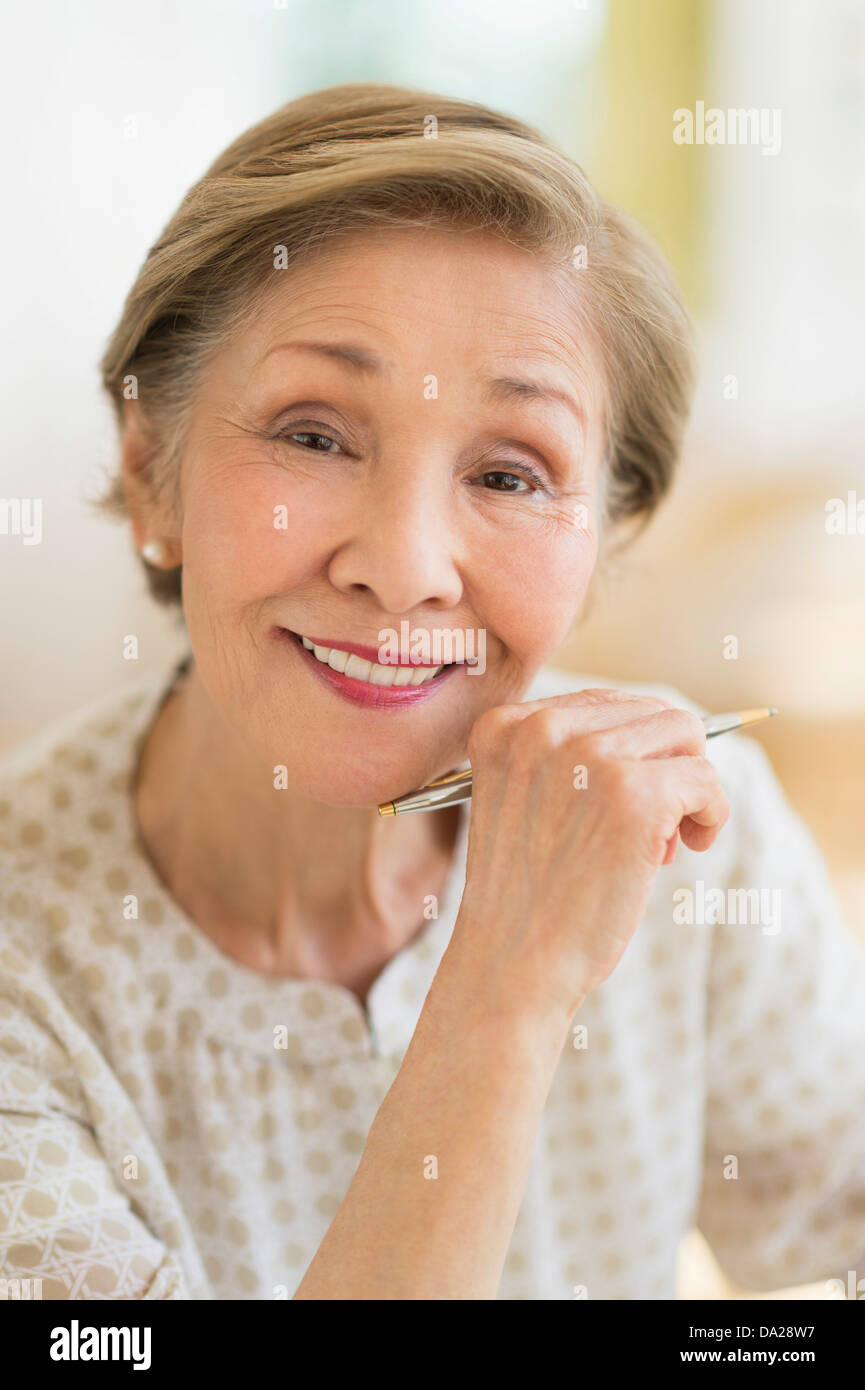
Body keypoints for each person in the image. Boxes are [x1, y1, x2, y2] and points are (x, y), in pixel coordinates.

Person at [1, 82, 863, 1301]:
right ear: (152, 474)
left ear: (601, 546)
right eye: (312, 434)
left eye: (510, 475)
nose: (404, 567)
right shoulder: (21, 961)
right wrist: (505, 990)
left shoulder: (704, 845)